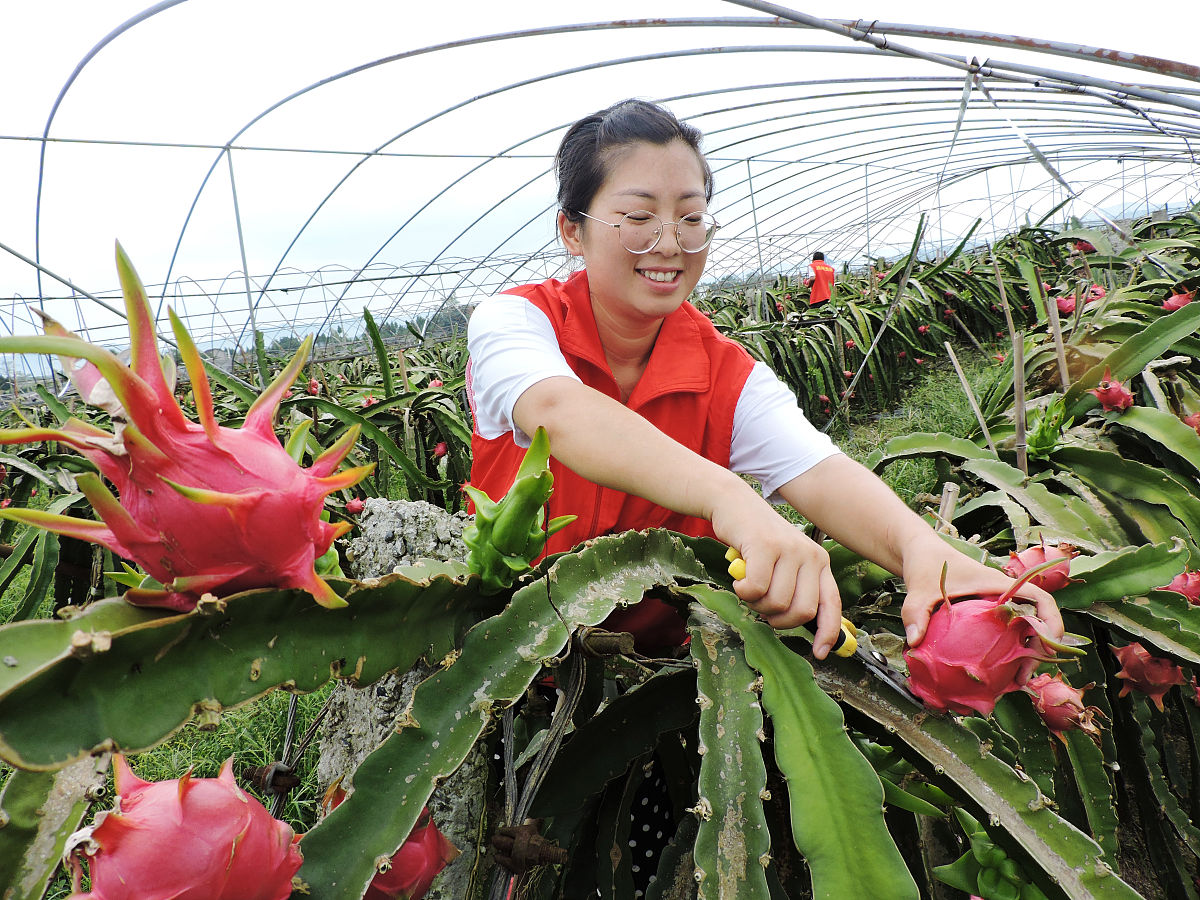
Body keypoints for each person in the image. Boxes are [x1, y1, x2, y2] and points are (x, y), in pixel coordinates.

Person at [466, 98, 1063, 658]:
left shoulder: (727, 371)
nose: (671, 242)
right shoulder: (515, 322)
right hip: (512, 661)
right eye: (638, 217)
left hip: (675, 680)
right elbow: (557, 411)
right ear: (573, 230)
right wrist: (732, 499)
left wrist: (920, 550)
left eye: (691, 218)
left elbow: (818, 470)